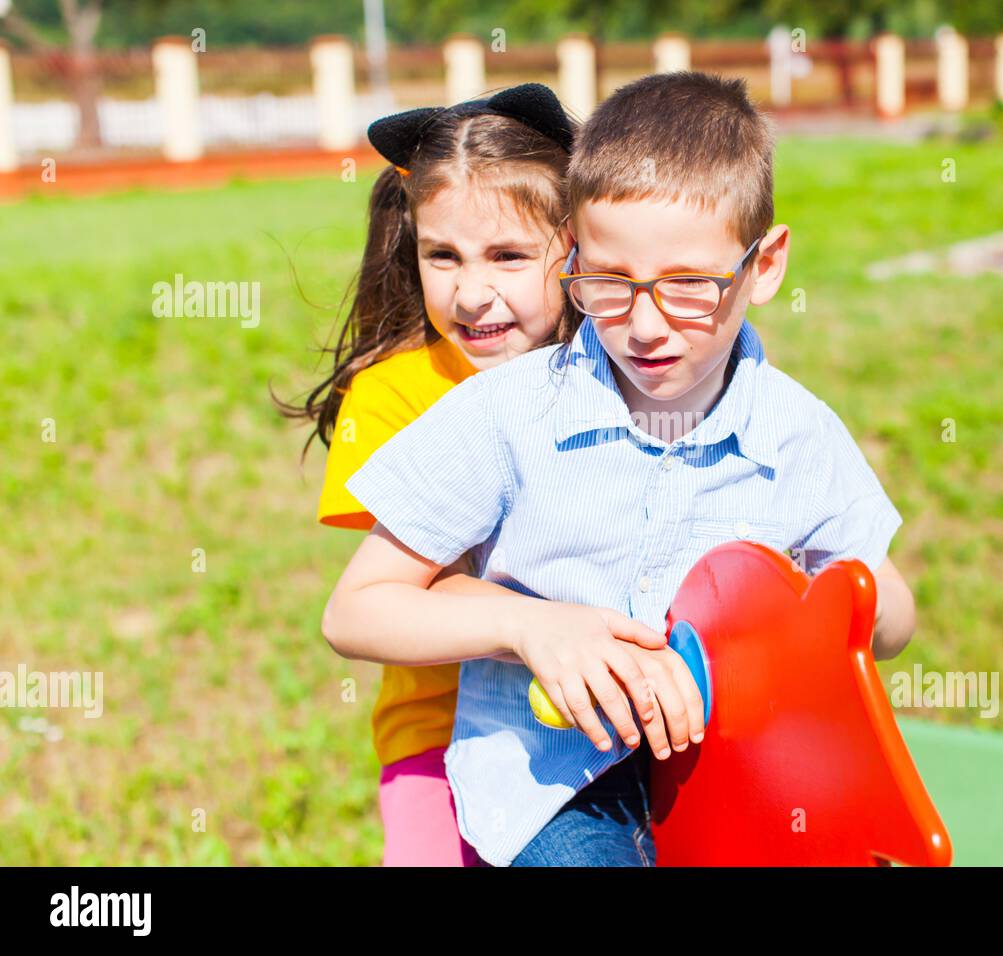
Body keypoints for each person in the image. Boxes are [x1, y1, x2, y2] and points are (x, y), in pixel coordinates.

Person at [323, 72, 917, 867]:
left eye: (688, 287)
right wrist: (534, 625)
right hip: (550, 788)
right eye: (607, 282)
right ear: (577, 255)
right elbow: (357, 611)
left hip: (727, 774)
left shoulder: (796, 431)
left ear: (766, 265)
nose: (643, 324)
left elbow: (887, 615)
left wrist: (826, 617)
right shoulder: (500, 413)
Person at [285, 83, 579, 865]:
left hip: (608, 738)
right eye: (442, 255)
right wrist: (545, 625)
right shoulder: (389, 395)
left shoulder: (618, 373)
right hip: (440, 742)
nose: (471, 292)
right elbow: (397, 594)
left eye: (510, 256)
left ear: (576, 247)